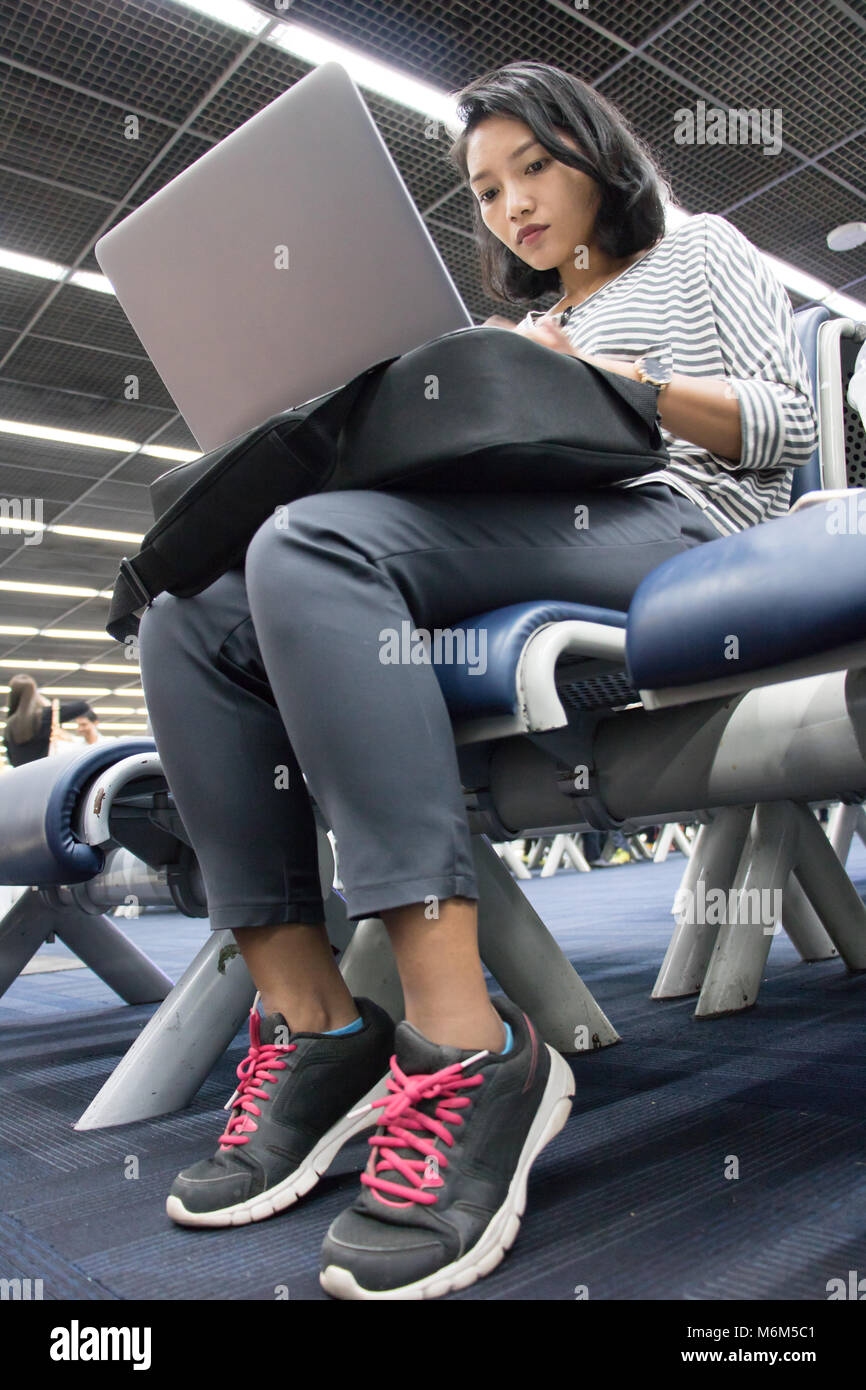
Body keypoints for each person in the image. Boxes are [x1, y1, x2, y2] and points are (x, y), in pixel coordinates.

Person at [136, 61, 818, 1299]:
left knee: (314, 543)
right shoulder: (508, 325)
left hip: (679, 518)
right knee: (187, 618)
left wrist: (603, 382)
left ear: (594, 154)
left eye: (533, 168)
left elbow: (789, 430)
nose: (511, 205)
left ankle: (467, 1044)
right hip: (524, 518)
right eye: (486, 189)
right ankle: (319, 1026)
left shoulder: (698, 251)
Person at [2, 674, 90, 768]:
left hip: (20, 776)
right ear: (34, 694)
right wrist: (44, 702)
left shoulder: (9, 725)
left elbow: (10, 758)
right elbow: (82, 706)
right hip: (43, 773)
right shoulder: (45, 715)